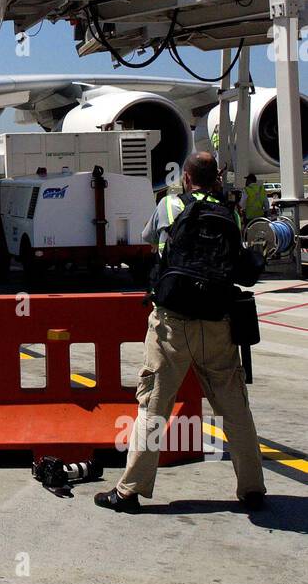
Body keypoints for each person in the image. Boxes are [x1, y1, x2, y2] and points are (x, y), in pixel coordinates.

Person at [95, 151, 266, 514]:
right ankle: (252, 488)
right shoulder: (229, 212)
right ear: (214, 178)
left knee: (153, 407)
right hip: (218, 323)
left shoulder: (170, 206)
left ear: (186, 177)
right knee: (234, 408)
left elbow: (146, 240)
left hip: (172, 323)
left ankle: (130, 490)